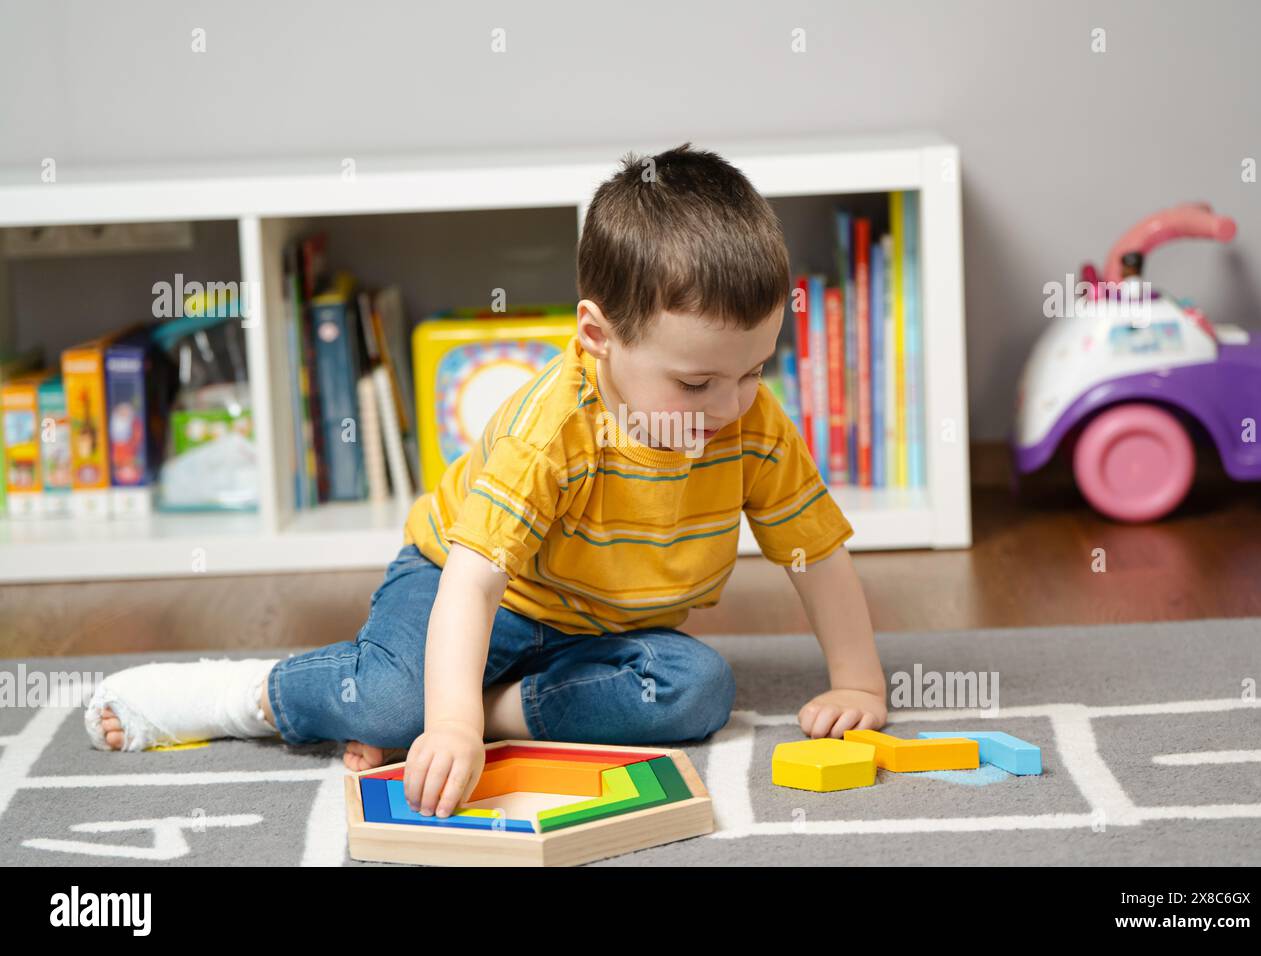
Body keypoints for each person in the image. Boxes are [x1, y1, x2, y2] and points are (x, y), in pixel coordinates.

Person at [84, 143, 889, 819]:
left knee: (695, 691)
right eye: (695, 384)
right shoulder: (554, 429)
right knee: (399, 705)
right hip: (465, 584)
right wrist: (446, 725)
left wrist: (857, 682)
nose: (731, 404)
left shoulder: (754, 423)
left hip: (593, 627)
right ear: (597, 337)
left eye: (754, 370)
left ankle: (484, 704)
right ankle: (252, 695)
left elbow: (812, 552)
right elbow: (471, 585)